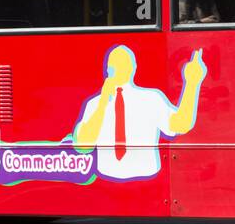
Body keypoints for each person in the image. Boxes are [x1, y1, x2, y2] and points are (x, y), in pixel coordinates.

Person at [71, 45, 208, 181]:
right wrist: (103, 102)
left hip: (148, 178)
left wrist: (192, 83)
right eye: (114, 65)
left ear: (133, 68)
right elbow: (83, 144)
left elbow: (180, 124)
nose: (119, 69)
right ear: (107, 69)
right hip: (105, 181)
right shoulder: (95, 104)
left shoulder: (151, 98)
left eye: (124, 64)